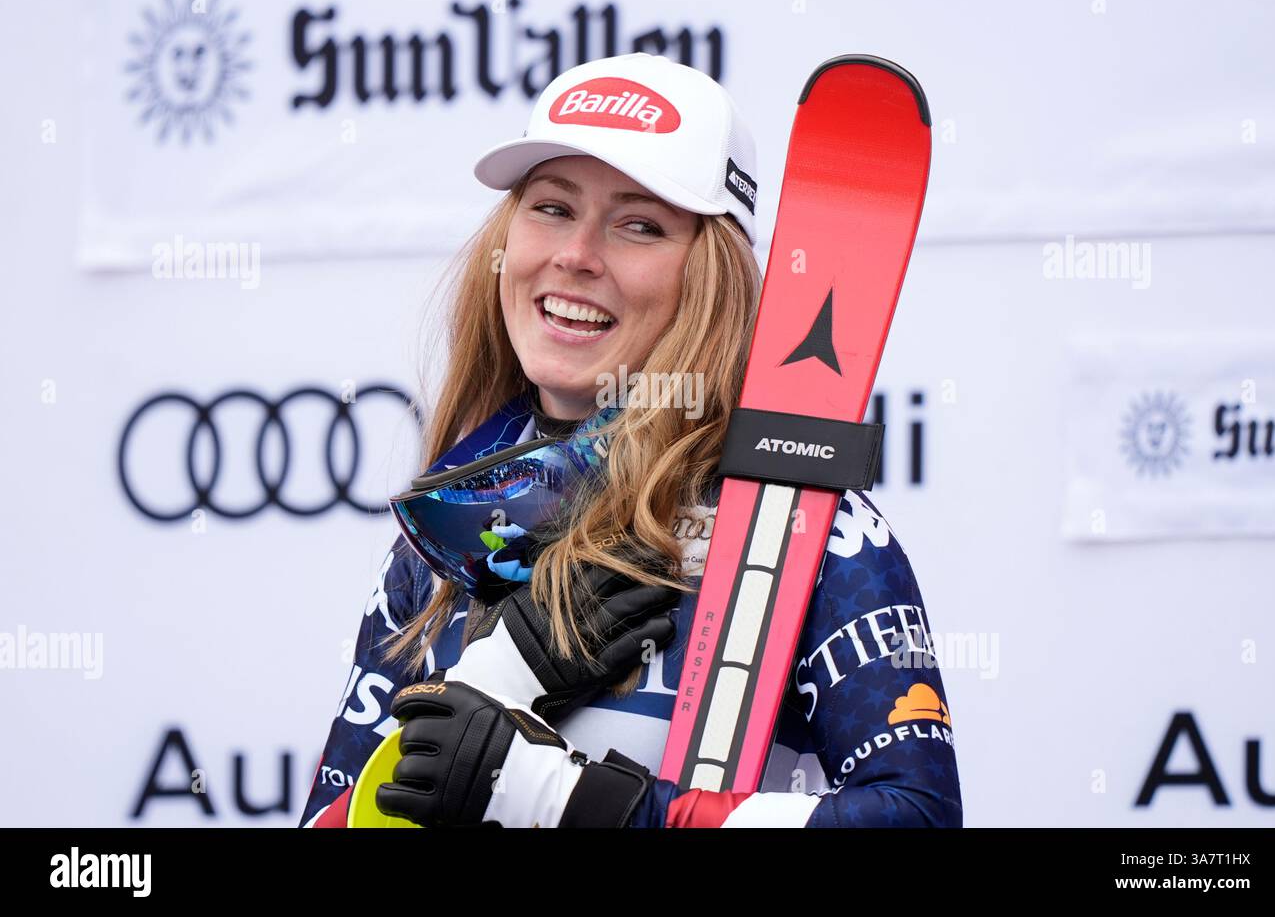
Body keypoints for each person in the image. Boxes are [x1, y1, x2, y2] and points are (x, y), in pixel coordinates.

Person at [299, 52, 962, 828]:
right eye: (550, 207)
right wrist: (496, 684)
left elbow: (917, 818)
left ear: (709, 277)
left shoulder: (800, 524)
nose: (576, 256)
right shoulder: (441, 544)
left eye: (639, 225)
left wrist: (582, 803)